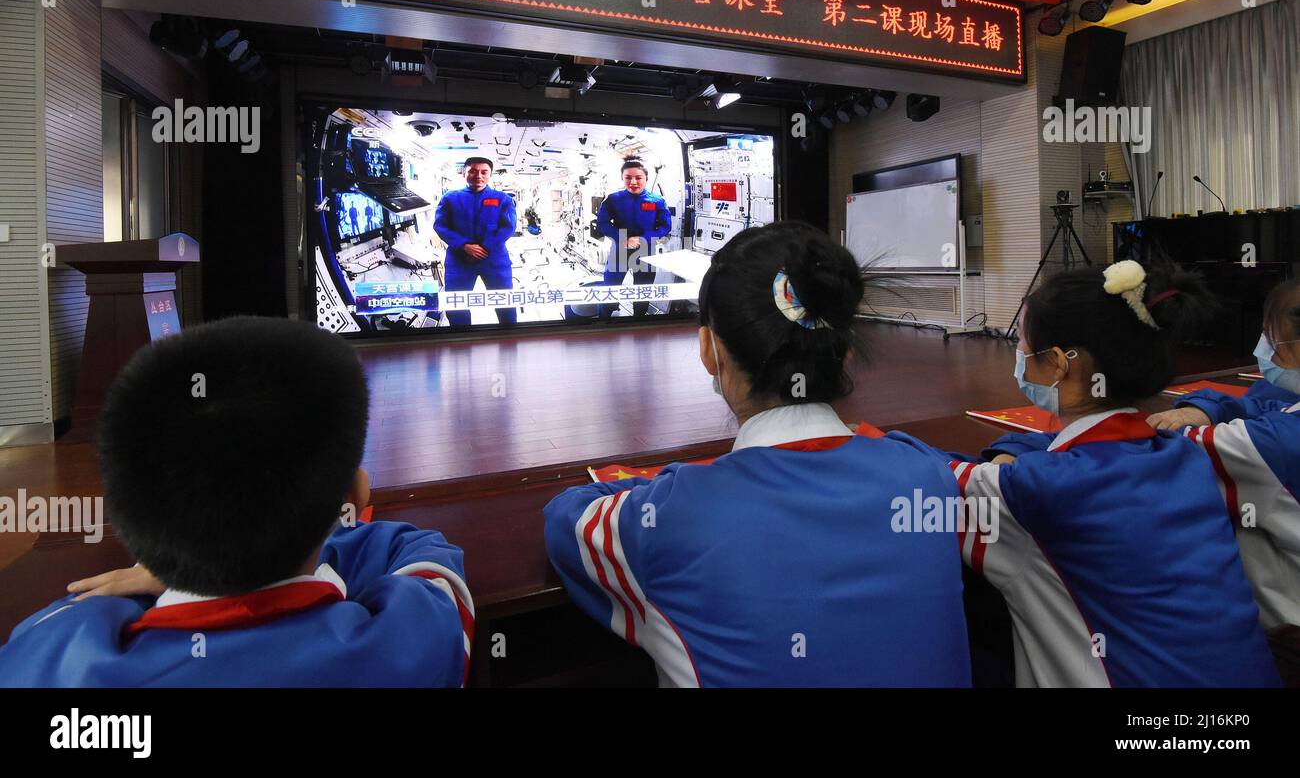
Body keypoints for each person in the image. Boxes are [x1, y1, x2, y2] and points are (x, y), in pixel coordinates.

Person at [543, 221, 972, 687]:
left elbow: (567, 518)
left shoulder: (669, 517)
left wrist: (675, 481)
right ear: (845, 351)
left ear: (709, 350)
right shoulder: (928, 477)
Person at [0, 317, 473, 687]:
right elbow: (432, 569)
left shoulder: (45, 658)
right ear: (353, 497)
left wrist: (185, 562)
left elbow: (53, 628)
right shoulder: (406, 650)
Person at [925, 261, 1280, 687]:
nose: (1017, 351)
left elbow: (919, 476)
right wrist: (1016, 448)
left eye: (1021, 340)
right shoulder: (1190, 454)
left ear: (1058, 363)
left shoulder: (1037, 489)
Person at [1148, 276, 1300, 654]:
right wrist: (1208, 406)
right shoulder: (1282, 419)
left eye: (1271, 339)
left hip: (1280, 634)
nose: (1264, 350)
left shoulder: (1268, 444)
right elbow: (1267, 405)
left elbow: (1150, 451)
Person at [433, 157, 518, 326]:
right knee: (456, 304)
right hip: (460, 260)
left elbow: (508, 227)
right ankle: (461, 340)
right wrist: (464, 246)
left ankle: (510, 336)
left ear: (490, 174)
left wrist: (483, 248)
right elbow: (440, 226)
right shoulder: (450, 198)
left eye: (484, 172)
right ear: (464, 172)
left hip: (494, 259)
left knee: (504, 302)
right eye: (472, 171)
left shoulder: (502, 199)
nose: (478, 175)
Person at [594, 160, 672, 317]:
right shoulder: (613, 199)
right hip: (619, 251)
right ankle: (604, 322)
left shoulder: (657, 201)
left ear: (646, 178)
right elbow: (602, 223)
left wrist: (643, 239)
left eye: (638, 177)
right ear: (622, 178)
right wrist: (622, 237)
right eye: (628, 177)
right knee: (610, 289)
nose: (633, 182)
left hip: (646, 252)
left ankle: (639, 322)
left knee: (643, 292)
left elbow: (665, 226)